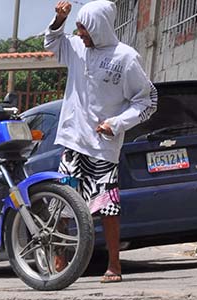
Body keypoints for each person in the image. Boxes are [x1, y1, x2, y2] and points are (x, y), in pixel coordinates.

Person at [46, 1, 157, 283]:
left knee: (107, 208)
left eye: (83, 27)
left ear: (98, 27)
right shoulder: (76, 49)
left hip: (103, 147)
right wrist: (59, 19)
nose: (80, 33)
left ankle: (114, 265)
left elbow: (148, 100)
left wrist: (116, 124)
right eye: (78, 27)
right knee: (61, 205)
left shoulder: (126, 58)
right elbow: (52, 42)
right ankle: (61, 263)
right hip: (73, 141)